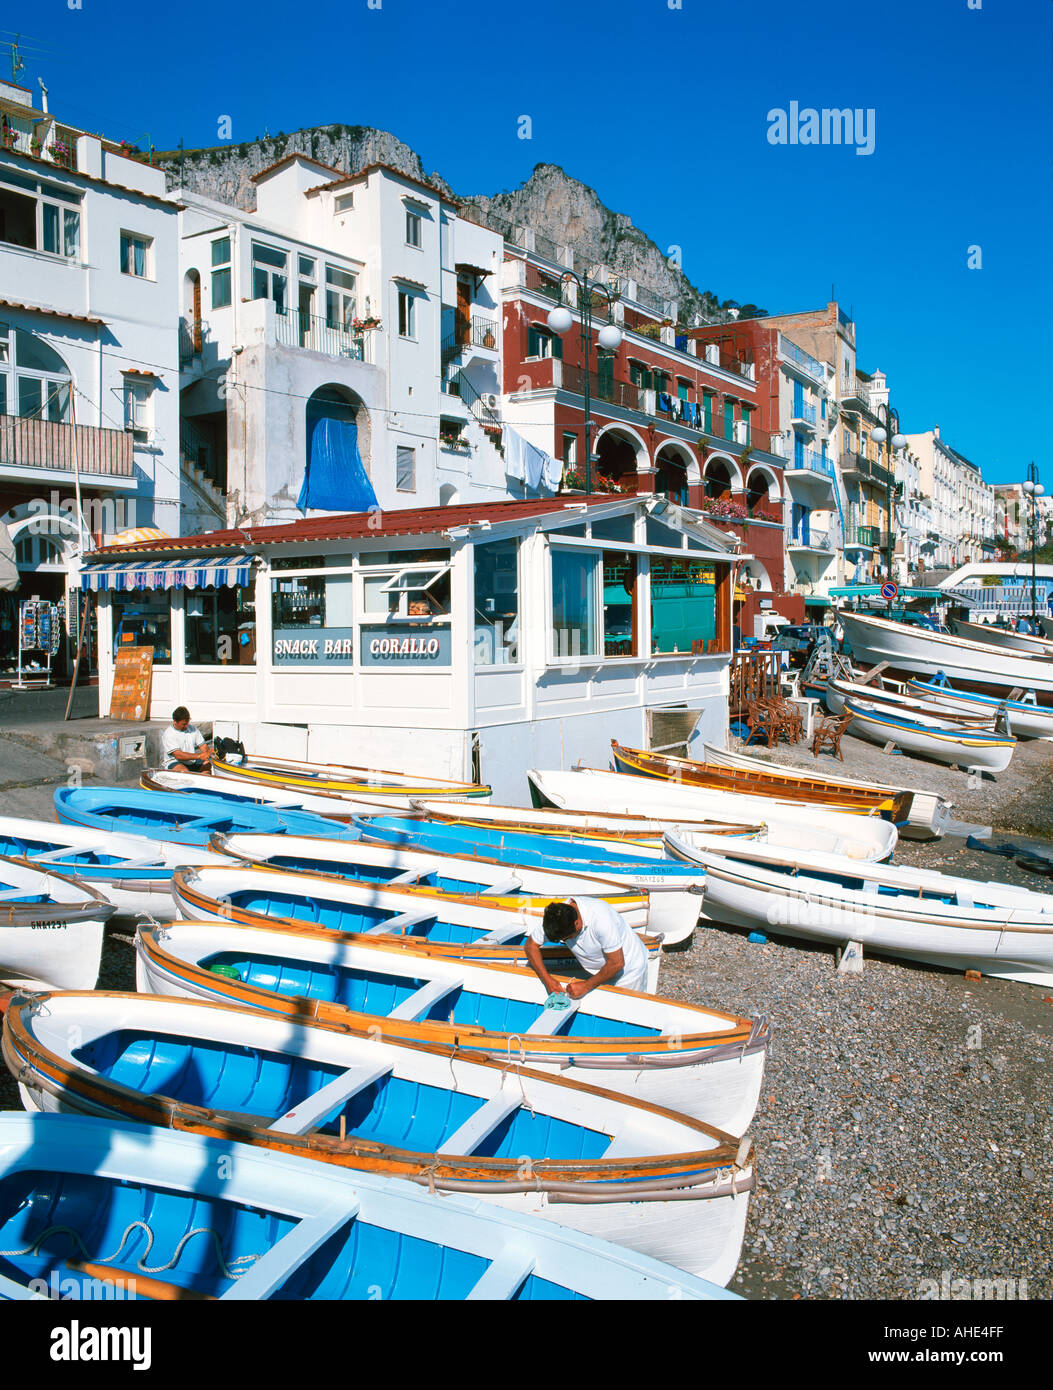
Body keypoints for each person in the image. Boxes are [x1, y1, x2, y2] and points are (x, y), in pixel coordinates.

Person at [524, 897, 651, 999]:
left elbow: (617, 963)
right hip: (602, 970)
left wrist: (586, 985)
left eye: (566, 939)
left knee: (626, 1013)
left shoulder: (601, 919)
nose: (564, 942)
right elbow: (530, 946)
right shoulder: (557, 917)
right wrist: (548, 981)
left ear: (577, 924)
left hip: (629, 970)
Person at [161, 706, 214, 773]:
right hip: (175, 761)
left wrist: (208, 753)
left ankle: (202, 777)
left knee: (208, 763)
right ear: (175, 722)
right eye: (184, 724)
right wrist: (199, 756)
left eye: (187, 723)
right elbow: (179, 755)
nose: (186, 726)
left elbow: (203, 747)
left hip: (192, 761)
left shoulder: (193, 729)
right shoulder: (169, 734)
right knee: (184, 771)